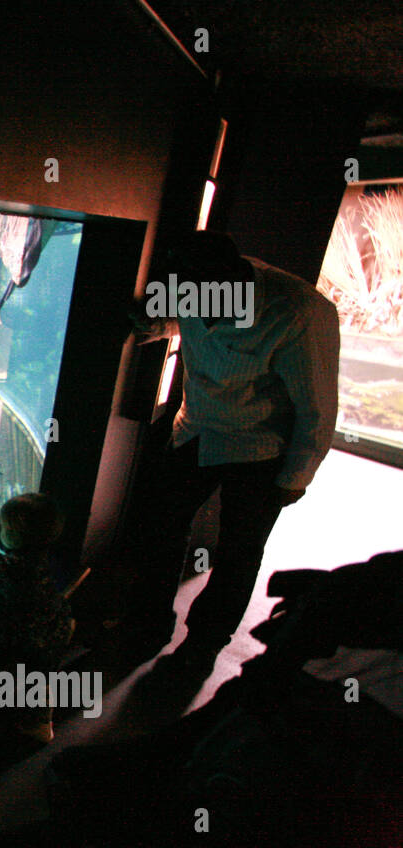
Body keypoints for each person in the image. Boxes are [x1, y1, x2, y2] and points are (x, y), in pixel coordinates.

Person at [125, 231, 340, 661]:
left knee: (238, 551)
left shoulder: (299, 312)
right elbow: (182, 321)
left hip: (260, 448)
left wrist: (295, 479)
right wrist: (148, 324)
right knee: (162, 526)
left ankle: (205, 642)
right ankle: (148, 626)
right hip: (196, 427)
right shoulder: (195, 285)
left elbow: (317, 408)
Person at [0, 494, 74, 742]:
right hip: (53, 624)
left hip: (23, 638)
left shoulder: (14, 567)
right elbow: (12, 542)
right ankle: (40, 708)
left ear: (14, 535)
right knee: (43, 674)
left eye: (5, 528)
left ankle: (39, 725)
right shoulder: (38, 551)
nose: (2, 533)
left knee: (35, 682)